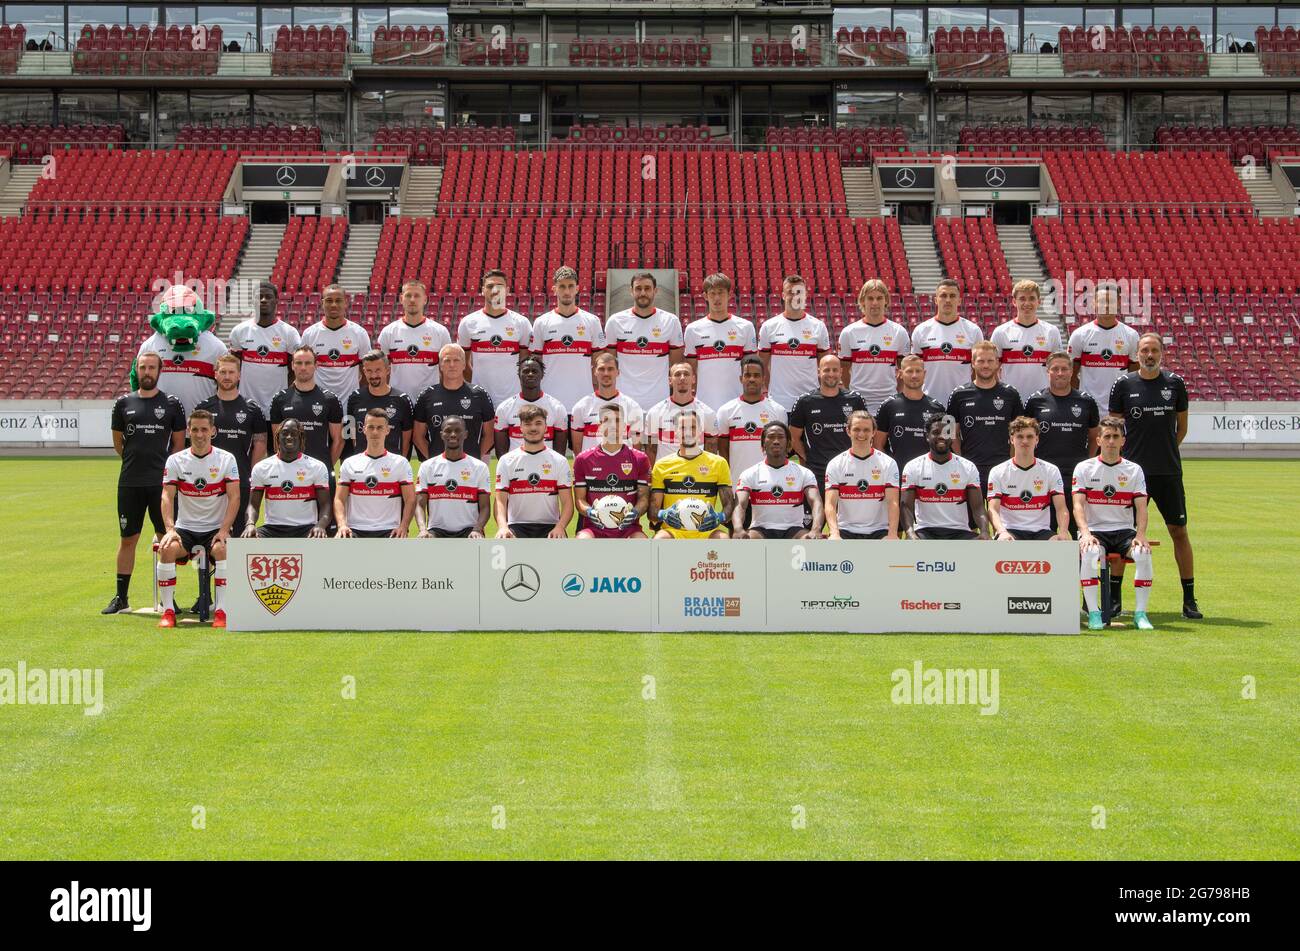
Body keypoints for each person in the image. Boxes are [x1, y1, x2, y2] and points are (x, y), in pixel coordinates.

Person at [1107, 332, 1200, 620]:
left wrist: (1165, 452)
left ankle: (1189, 599)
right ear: (1137, 354)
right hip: (1131, 476)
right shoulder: (1123, 384)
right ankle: (1114, 599)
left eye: (1154, 350)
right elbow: (1114, 429)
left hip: (1168, 472)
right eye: (1145, 350)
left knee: (1179, 532)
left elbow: (1181, 428)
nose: (1149, 355)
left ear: (1161, 353)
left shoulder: (1175, 383)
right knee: (1123, 536)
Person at [104, 350, 186, 614]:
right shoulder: (123, 403)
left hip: (161, 485)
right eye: (143, 367)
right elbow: (119, 443)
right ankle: (121, 598)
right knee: (128, 539)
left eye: (152, 367)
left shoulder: (172, 404)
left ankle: (168, 599)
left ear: (159, 371)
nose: (147, 372)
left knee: (166, 539)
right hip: (130, 482)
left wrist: (166, 473)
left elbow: (178, 444)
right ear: (136, 370)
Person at [156, 410, 241, 629]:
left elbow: (234, 497)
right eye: (195, 429)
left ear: (213, 431)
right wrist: (170, 529)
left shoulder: (226, 459)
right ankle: (168, 611)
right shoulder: (176, 460)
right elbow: (167, 495)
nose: (199, 434)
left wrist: (224, 531)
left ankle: (222, 611)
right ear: (189, 431)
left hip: (215, 528)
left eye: (204, 429)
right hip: (185, 529)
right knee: (166, 549)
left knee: (222, 550)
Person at [1074, 417, 1155, 631]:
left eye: (1115, 437)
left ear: (1123, 441)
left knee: (1144, 554)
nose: (1111, 441)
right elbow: (1078, 506)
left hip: (1124, 531)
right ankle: (1093, 613)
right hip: (1095, 531)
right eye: (1107, 436)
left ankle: (1140, 614)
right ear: (1098, 440)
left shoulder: (1134, 470)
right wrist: (1085, 532)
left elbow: (1142, 507)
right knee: (1090, 553)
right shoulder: (1084, 468)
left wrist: (1141, 534)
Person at [1024, 350, 1100, 537]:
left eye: (1064, 369)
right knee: (1043, 531)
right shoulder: (1035, 401)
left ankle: (1078, 567)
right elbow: (1025, 436)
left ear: (1072, 371)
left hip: (1075, 476)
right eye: (1055, 369)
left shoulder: (1086, 401)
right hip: (1042, 478)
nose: (1060, 373)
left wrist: (1087, 463)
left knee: (1077, 531)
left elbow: (1093, 437)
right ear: (1047, 371)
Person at [195, 353, 267, 540]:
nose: (227, 376)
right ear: (215, 374)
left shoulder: (252, 408)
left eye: (231, 372)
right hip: (210, 481)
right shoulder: (204, 408)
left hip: (240, 479)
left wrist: (252, 473)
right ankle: (208, 570)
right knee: (209, 533)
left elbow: (260, 442)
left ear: (239, 375)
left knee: (240, 533)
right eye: (223, 372)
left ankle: (237, 570)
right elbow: (196, 443)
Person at [947, 340, 1025, 493]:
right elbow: (949, 432)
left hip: (1003, 467)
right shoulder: (958, 394)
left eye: (990, 361)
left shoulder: (1011, 394)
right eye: (981, 361)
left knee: (1002, 515)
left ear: (997, 363)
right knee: (972, 515)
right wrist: (961, 460)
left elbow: (1019, 433)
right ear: (973, 363)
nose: (986, 365)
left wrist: (1011, 461)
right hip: (969, 467)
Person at [788, 353, 868, 496]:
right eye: (826, 370)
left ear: (841, 372)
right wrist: (809, 458)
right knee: (818, 514)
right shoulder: (805, 401)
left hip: (849, 468)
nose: (831, 374)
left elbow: (866, 433)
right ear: (819, 372)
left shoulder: (855, 399)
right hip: (818, 470)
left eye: (835, 370)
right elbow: (794, 437)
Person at [529, 266, 606, 414]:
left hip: (584, 399)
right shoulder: (541, 322)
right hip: (549, 400)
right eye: (562, 286)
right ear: (554, 289)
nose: (566, 291)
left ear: (577, 289)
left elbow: (598, 360)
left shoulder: (592, 321)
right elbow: (535, 361)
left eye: (570, 286)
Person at [604, 271, 683, 412]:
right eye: (638, 288)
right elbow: (610, 363)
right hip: (624, 402)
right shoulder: (615, 321)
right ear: (631, 291)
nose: (642, 293)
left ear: (655, 291)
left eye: (647, 288)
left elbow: (675, 365)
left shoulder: (670, 321)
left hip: (660, 402)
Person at [649, 410, 734, 540]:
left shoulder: (718, 463)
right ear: (675, 431)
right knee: (659, 540)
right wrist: (663, 514)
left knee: (724, 540)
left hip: (707, 530)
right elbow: (652, 512)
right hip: (673, 530)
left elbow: (729, 504)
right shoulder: (662, 465)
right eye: (683, 428)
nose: (688, 432)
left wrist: (719, 517)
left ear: (700, 431)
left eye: (693, 427)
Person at [900, 415, 987, 540]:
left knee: (983, 546)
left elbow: (978, 506)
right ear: (927, 437)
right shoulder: (913, 467)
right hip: (926, 531)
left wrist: (984, 531)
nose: (941, 436)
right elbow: (906, 506)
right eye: (935, 432)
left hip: (959, 531)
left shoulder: (968, 467)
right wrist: (909, 532)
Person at [456, 269, 534, 409]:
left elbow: (524, 363)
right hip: (479, 398)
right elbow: (463, 365)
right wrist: (477, 385)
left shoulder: (521, 323)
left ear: (507, 290)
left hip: (513, 398)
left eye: (500, 286)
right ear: (483, 290)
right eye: (490, 286)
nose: (495, 290)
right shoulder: (468, 322)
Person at [572, 403, 651, 539]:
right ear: (600, 426)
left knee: (641, 542)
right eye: (607, 420)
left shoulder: (640, 458)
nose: (613, 425)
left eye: (618, 420)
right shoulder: (583, 459)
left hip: (629, 528)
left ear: (625, 425)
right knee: (582, 541)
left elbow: (643, 498)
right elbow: (580, 499)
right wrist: (590, 511)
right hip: (594, 528)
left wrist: (635, 512)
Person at [493, 404, 573, 539]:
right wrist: (503, 526)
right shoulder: (506, 460)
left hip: (551, 525)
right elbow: (500, 501)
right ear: (521, 428)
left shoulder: (559, 461)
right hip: (517, 526)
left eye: (538, 423)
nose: (533, 428)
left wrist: (560, 527)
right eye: (528, 424)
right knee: (504, 542)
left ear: (546, 427)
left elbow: (567, 503)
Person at [243, 419, 331, 538]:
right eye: (284, 433)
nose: (289, 437)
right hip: (272, 528)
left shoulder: (316, 467)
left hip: (305, 527)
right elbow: (253, 505)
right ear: (278, 437)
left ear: (301, 438)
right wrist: (250, 524)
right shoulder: (261, 467)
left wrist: (320, 526)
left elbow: (326, 505)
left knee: (320, 538)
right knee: (249, 540)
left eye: (294, 434)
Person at [334, 408, 416, 539]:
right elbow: (339, 499)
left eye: (379, 427)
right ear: (364, 429)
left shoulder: (400, 463)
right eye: (371, 427)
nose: (375, 432)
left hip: (389, 529)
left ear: (387, 430)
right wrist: (342, 525)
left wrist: (404, 526)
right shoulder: (350, 463)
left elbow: (410, 499)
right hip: (355, 528)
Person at [986, 417, 1071, 542]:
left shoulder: (1051, 470)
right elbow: (993, 509)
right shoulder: (998, 471)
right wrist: (1002, 532)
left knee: (1059, 543)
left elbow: (1061, 508)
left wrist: (1063, 533)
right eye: (1020, 436)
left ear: (1037, 439)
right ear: (1011, 439)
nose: (1025, 441)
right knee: (1003, 542)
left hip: (1041, 531)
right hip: (1010, 530)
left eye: (1030, 436)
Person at [733, 422, 822, 539]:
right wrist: (738, 528)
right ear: (763, 444)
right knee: (747, 539)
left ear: (789, 444)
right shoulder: (750, 473)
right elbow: (740, 504)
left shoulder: (804, 473)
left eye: (780, 437)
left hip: (793, 529)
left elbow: (816, 501)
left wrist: (816, 529)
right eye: (770, 437)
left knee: (809, 540)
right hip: (761, 529)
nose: (775, 441)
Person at [683, 272, 757, 411]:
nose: (717, 298)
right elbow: (692, 372)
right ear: (705, 296)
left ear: (729, 295)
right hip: (704, 404)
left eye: (721, 293)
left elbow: (751, 369)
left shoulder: (745, 327)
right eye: (712, 293)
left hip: (738, 404)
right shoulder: (693, 329)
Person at [758, 274, 831, 412]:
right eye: (790, 292)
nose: (795, 296)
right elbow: (762, 364)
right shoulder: (769, 327)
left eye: (799, 292)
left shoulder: (818, 326)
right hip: (779, 403)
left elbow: (825, 366)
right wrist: (766, 391)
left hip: (811, 401)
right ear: (783, 295)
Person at [411, 343, 495, 461]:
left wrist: (474, 459)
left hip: (470, 468)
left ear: (464, 364)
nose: (451, 365)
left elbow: (490, 436)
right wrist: (433, 460)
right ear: (440, 365)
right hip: (438, 469)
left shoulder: (480, 395)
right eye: (447, 360)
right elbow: (417, 437)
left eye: (456, 360)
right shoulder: (426, 396)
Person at [838, 278, 911, 414]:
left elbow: (903, 369)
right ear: (862, 301)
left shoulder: (899, 332)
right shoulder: (849, 332)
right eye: (870, 298)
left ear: (886, 301)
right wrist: (852, 391)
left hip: (889, 399)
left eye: (879, 298)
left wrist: (896, 391)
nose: (875, 303)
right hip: (859, 400)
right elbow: (844, 368)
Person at [824, 411, 900, 540]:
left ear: (874, 432)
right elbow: (830, 503)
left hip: (879, 529)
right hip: (846, 529)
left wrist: (892, 534)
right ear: (848, 431)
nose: (861, 434)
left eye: (866, 430)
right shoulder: (836, 464)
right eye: (856, 429)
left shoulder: (888, 463)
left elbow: (892, 502)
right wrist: (834, 533)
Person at [228, 280, 300, 415]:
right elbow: (234, 367)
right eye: (259, 297)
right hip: (246, 405)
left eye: (268, 297)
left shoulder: (289, 333)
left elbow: (295, 369)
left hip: (278, 406)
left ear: (276, 301)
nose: (263, 300)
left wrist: (284, 390)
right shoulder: (239, 331)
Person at [269, 346, 344, 474]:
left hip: (320, 472)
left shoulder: (330, 399)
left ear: (316, 365)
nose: (303, 367)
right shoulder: (280, 399)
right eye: (299, 363)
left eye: (308, 363)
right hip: (289, 471)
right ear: (292, 365)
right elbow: (277, 440)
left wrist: (325, 467)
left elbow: (339, 440)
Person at [715, 355, 788, 484]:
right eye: (747, 375)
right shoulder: (725, 411)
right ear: (741, 379)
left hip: (769, 486)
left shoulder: (778, 411)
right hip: (737, 484)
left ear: (763, 379)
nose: (752, 379)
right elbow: (723, 451)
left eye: (756, 375)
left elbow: (783, 451)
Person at [415, 416, 491, 539]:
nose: (453, 434)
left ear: (465, 434)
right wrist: (423, 530)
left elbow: (485, 506)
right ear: (441, 434)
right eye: (448, 431)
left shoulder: (479, 467)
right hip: (436, 530)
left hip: (469, 530)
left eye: (458, 430)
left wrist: (478, 529)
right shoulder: (427, 466)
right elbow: (419, 504)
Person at [911, 278, 984, 407]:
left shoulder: (973, 331)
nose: (948, 300)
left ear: (959, 300)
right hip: (929, 403)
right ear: (936, 300)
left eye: (952, 296)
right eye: (943, 295)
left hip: (964, 402)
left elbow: (978, 370)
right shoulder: (921, 331)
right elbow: (915, 370)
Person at [377, 279, 452, 400]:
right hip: (397, 400)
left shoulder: (440, 332)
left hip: (430, 400)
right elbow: (384, 370)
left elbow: (447, 370)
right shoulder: (388, 332)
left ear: (425, 299)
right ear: (401, 299)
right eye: (408, 295)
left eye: (417, 296)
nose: (412, 300)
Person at [1067, 283, 1139, 411]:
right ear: (1094, 303)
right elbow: (1071, 376)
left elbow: (1134, 377)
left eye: (1110, 301)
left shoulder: (1131, 335)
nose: (1106, 306)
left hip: (1119, 410)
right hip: (1088, 408)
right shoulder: (1079, 335)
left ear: (1118, 303)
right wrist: (1082, 399)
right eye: (1101, 301)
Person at [990, 280, 1062, 398]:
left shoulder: (1051, 331)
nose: (1027, 303)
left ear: (1039, 302)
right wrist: (1002, 390)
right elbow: (992, 368)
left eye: (1032, 299)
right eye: (1022, 299)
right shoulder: (1001, 332)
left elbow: (1059, 368)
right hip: (1010, 400)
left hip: (1043, 400)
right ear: (1014, 301)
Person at [300, 284, 372, 403]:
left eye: (338, 300)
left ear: (346, 303)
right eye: (329, 301)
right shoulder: (309, 334)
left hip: (350, 403)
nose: (333, 305)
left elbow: (366, 368)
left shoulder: (359, 333)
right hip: (317, 403)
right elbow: (303, 369)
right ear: (322, 303)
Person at [874, 354, 946, 472]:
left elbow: (943, 445)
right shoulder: (888, 406)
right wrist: (890, 470)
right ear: (900, 374)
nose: (914, 375)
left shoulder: (937, 408)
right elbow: (877, 445)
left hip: (929, 475)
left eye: (918, 371)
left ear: (924, 373)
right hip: (897, 474)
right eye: (909, 371)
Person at [568, 350, 646, 454]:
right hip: (592, 468)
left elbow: (636, 449)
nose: (606, 373)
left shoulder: (633, 407)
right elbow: (577, 448)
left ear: (618, 372)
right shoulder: (581, 406)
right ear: (595, 371)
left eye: (610, 369)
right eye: (601, 369)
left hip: (623, 468)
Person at [493, 355, 569, 455]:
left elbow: (559, 453)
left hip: (546, 468)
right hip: (516, 468)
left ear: (542, 375)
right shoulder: (504, 408)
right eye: (525, 371)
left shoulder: (557, 408)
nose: (530, 374)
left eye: (535, 371)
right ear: (519, 375)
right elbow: (501, 454)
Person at [343, 350, 413, 458]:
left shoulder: (402, 399)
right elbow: (350, 435)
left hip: (391, 467)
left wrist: (401, 463)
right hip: (362, 465)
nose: (374, 375)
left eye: (378, 370)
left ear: (388, 370)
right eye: (369, 371)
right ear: (364, 371)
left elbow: (407, 440)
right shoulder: (354, 398)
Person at [645, 361, 718, 461]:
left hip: (696, 473)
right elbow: (650, 450)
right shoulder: (654, 413)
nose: (682, 378)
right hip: (666, 473)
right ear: (670, 380)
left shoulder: (708, 413)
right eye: (677, 374)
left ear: (693, 379)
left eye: (686, 374)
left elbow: (711, 452)